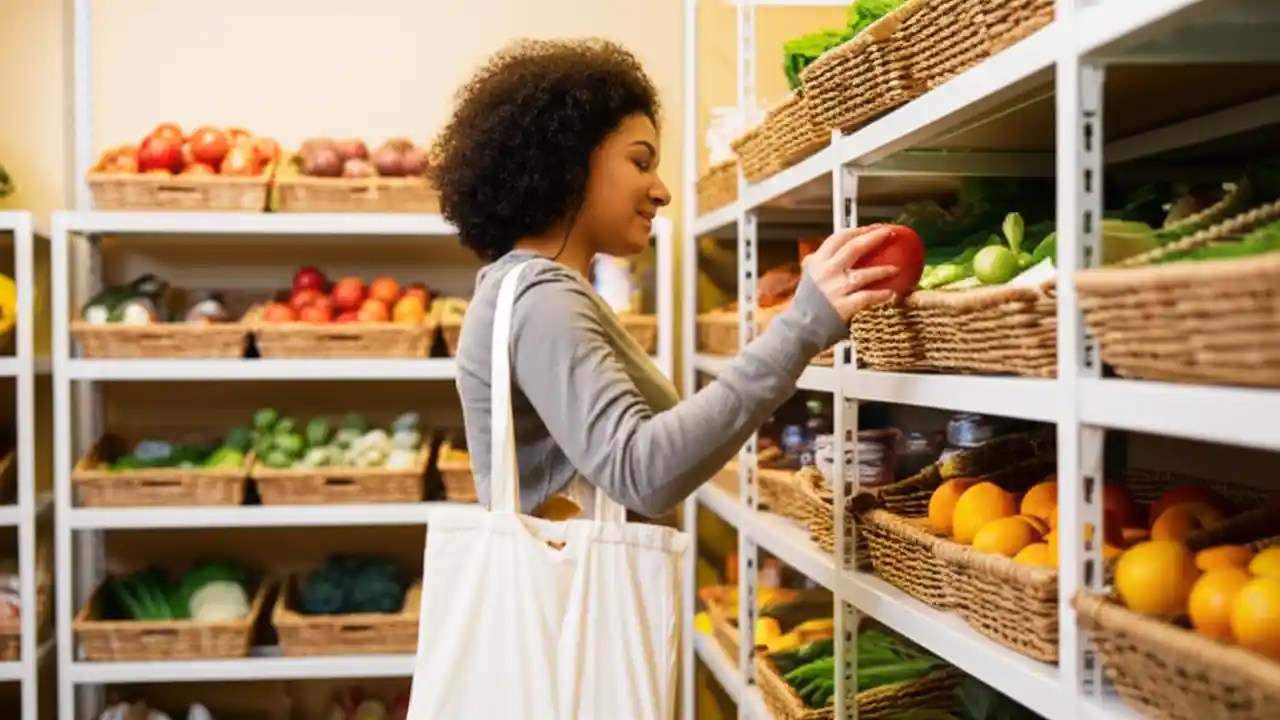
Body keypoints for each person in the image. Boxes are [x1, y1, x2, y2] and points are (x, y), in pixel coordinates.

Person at [433, 38, 898, 519]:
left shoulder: (529, 290)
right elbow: (641, 472)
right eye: (640, 162)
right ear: (568, 161)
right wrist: (802, 327)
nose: (662, 191)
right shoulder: (543, 298)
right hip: (583, 592)